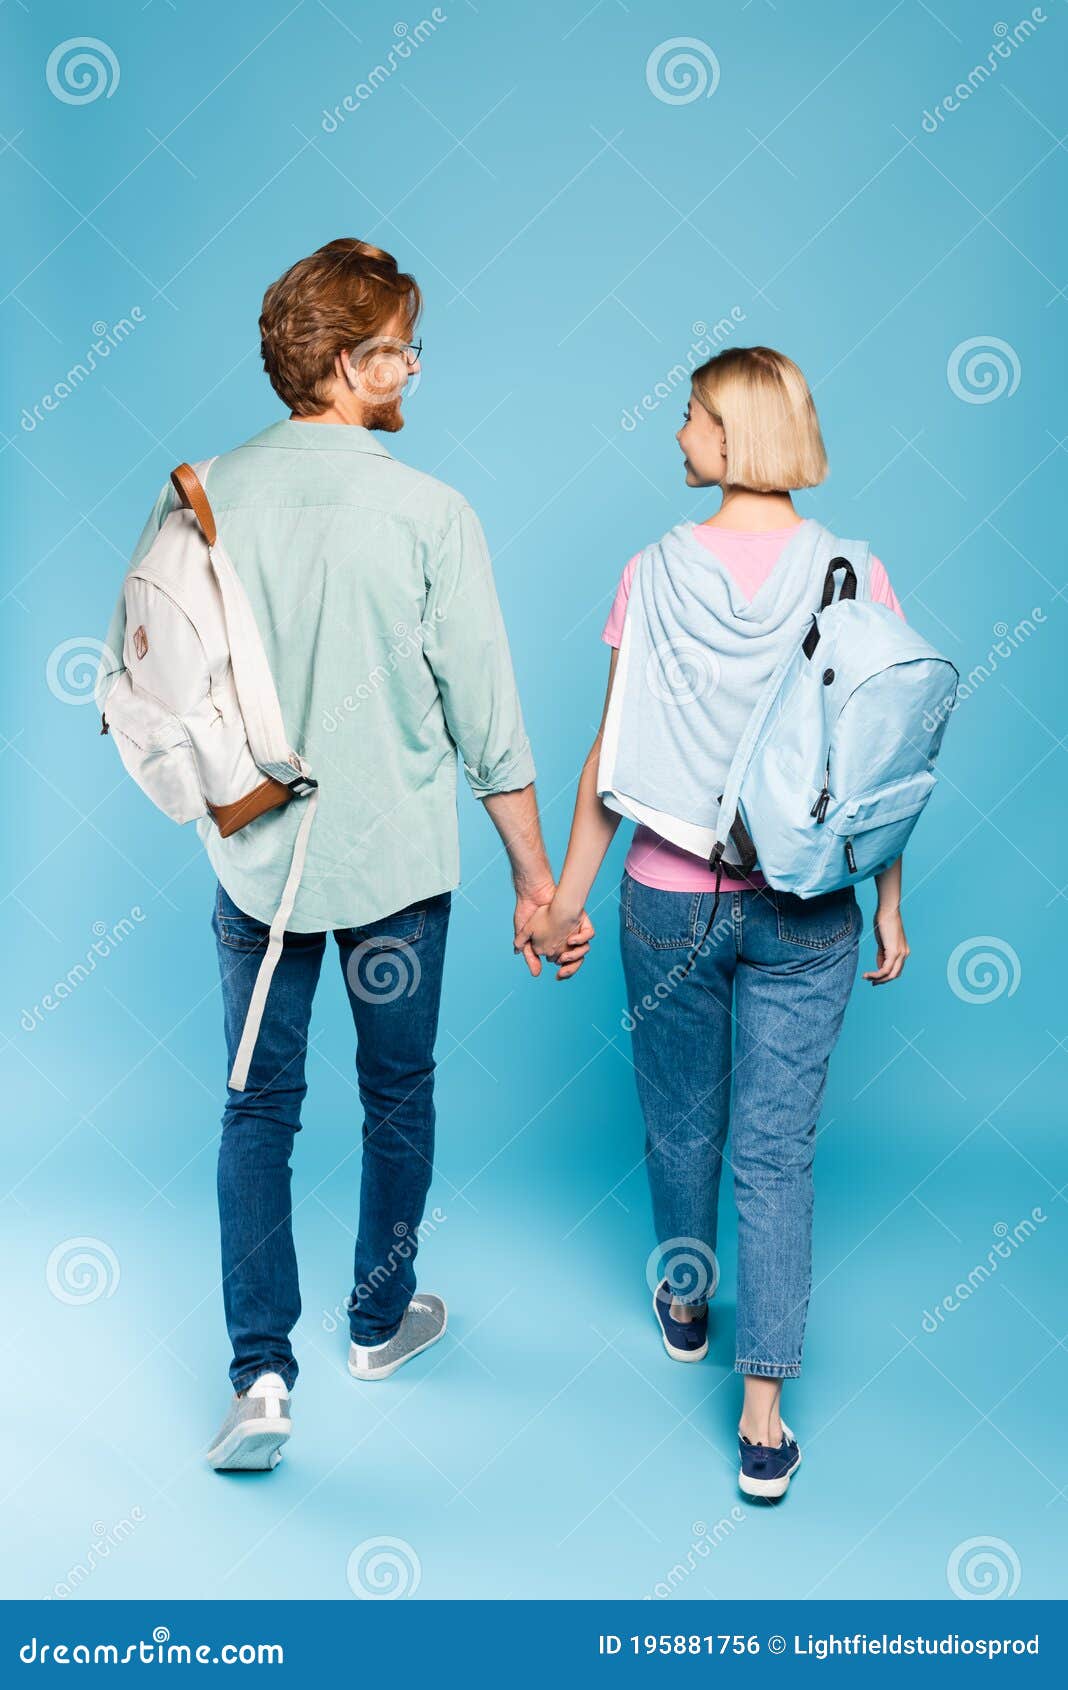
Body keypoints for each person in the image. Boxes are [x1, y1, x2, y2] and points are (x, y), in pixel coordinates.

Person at [116, 239, 591, 1471]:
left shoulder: (201, 488)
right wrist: (539, 885)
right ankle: (378, 1325)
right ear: (347, 363)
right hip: (395, 874)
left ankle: (259, 1380)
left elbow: (165, 670)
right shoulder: (430, 511)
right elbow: (488, 725)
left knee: (256, 1105)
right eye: (399, 346)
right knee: (397, 1094)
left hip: (253, 866)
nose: (413, 364)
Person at [519, 345, 909, 1501]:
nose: (677, 433)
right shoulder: (856, 570)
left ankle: (686, 1296)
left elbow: (612, 756)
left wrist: (562, 899)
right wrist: (890, 893)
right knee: (776, 1154)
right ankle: (764, 1414)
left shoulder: (652, 571)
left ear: (733, 438)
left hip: (670, 899)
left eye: (691, 417)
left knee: (680, 1127)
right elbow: (883, 754)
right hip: (812, 906)